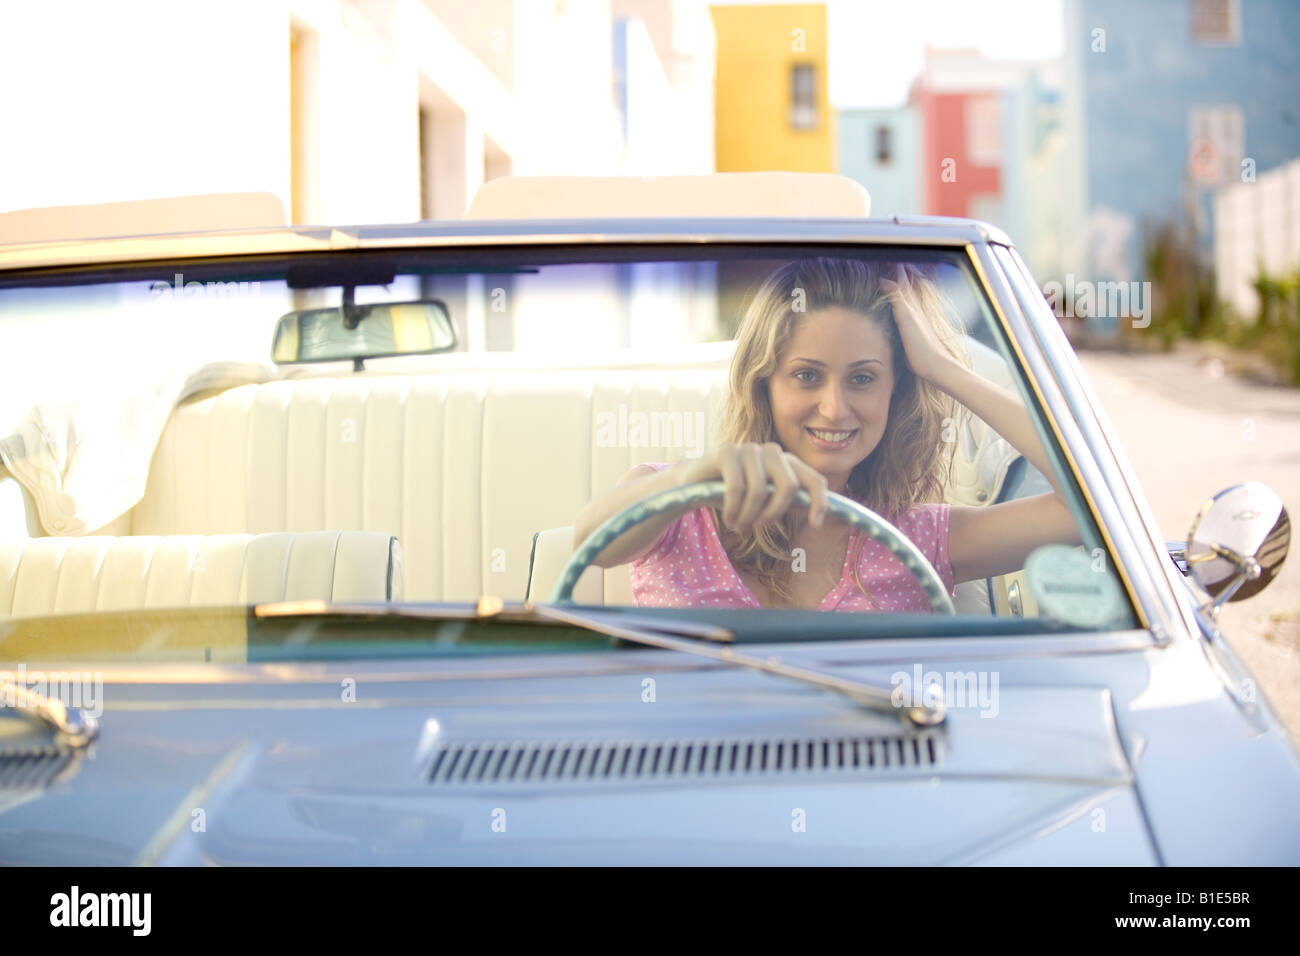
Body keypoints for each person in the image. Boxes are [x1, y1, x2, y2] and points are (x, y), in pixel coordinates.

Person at [573, 257, 1082, 612]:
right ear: (763, 384)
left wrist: (944, 368)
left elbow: (1086, 508)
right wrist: (694, 477)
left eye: (862, 378)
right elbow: (590, 545)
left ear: (894, 391)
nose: (835, 408)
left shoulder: (919, 539)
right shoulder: (679, 506)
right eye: (807, 375)